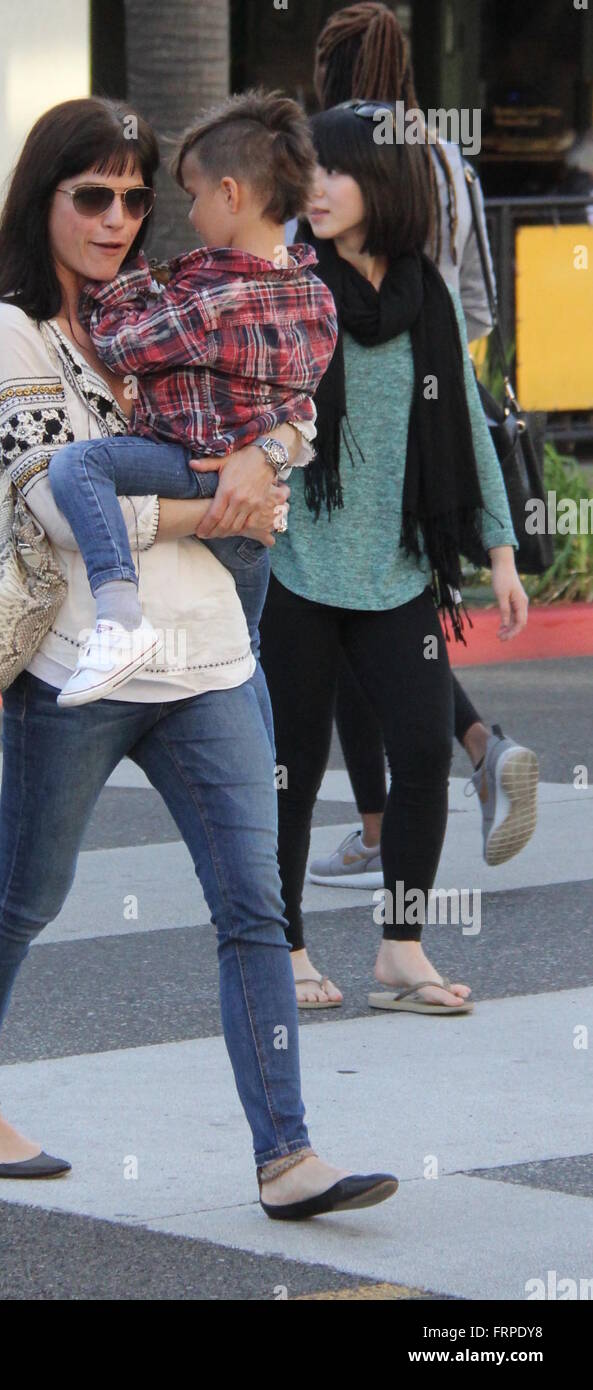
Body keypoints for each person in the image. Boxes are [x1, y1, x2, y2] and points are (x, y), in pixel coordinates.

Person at [0, 95, 397, 1221]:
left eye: (138, 198)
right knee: (27, 897)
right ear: (44, 198)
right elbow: (46, 502)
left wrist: (266, 454)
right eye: (94, 196)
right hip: (81, 662)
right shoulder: (8, 329)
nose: (121, 218)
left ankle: (287, 1155)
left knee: (254, 912)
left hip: (214, 659)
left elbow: (293, 408)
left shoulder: (185, 295)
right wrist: (224, 506)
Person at [258, 100, 529, 1017]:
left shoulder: (426, 295)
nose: (314, 189)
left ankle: (399, 951)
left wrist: (498, 550)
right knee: (289, 770)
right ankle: (283, 948)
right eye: (308, 174)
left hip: (399, 570)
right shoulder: (291, 283)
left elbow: (467, 427)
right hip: (295, 568)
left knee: (420, 757)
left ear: (385, 183)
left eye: (332, 171)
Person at [294, 1, 539, 932]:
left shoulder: (329, 175)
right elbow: (477, 301)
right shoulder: (448, 161)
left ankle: (380, 828)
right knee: (386, 644)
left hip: (373, 446)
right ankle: (472, 751)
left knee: (362, 657)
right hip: (418, 429)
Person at [46, 92, 335, 707]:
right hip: (253, 508)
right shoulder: (316, 297)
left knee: (78, 465)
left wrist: (124, 284)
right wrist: (272, 445)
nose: (192, 213)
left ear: (230, 194)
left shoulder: (208, 300)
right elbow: (305, 398)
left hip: (191, 468)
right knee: (247, 658)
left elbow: (122, 346)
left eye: (196, 195)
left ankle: (119, 615)